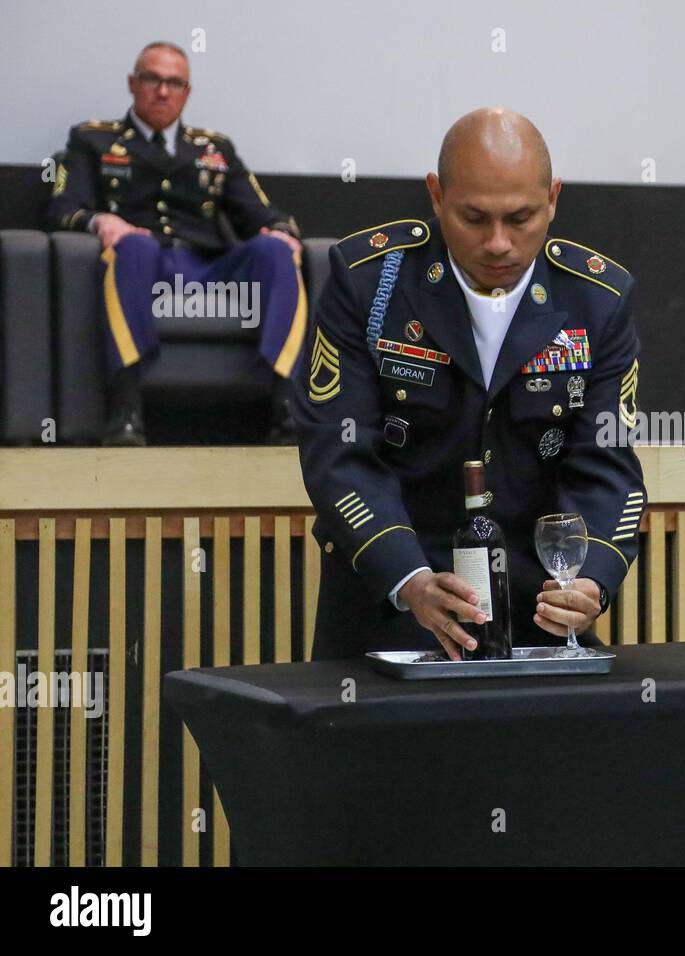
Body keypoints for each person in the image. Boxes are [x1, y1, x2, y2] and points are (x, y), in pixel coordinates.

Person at [294, 107, 645, 660]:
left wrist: (592, 582)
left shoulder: (596, 299)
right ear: (436, 196)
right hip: (392, 601)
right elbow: (338, 451)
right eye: (474, 219)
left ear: (554, 198)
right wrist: (407, 578)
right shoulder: (368, 282)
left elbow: (606, 464)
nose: (499, 243)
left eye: (522, 217)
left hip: (538, 611)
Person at [48, 40, 306, 445]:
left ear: (187, 92)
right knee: (132, 246)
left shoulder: (213, 149)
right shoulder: (92, 140)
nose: (163, 91)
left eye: (174, 82)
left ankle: (287, 408)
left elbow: (261, 212)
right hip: (143, 264)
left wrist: (283, 232)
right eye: (152, 79)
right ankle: (126, 411)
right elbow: (63, 207)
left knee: (275, 250)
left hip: (209, 266)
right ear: (133, 84)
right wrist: (101, 220)